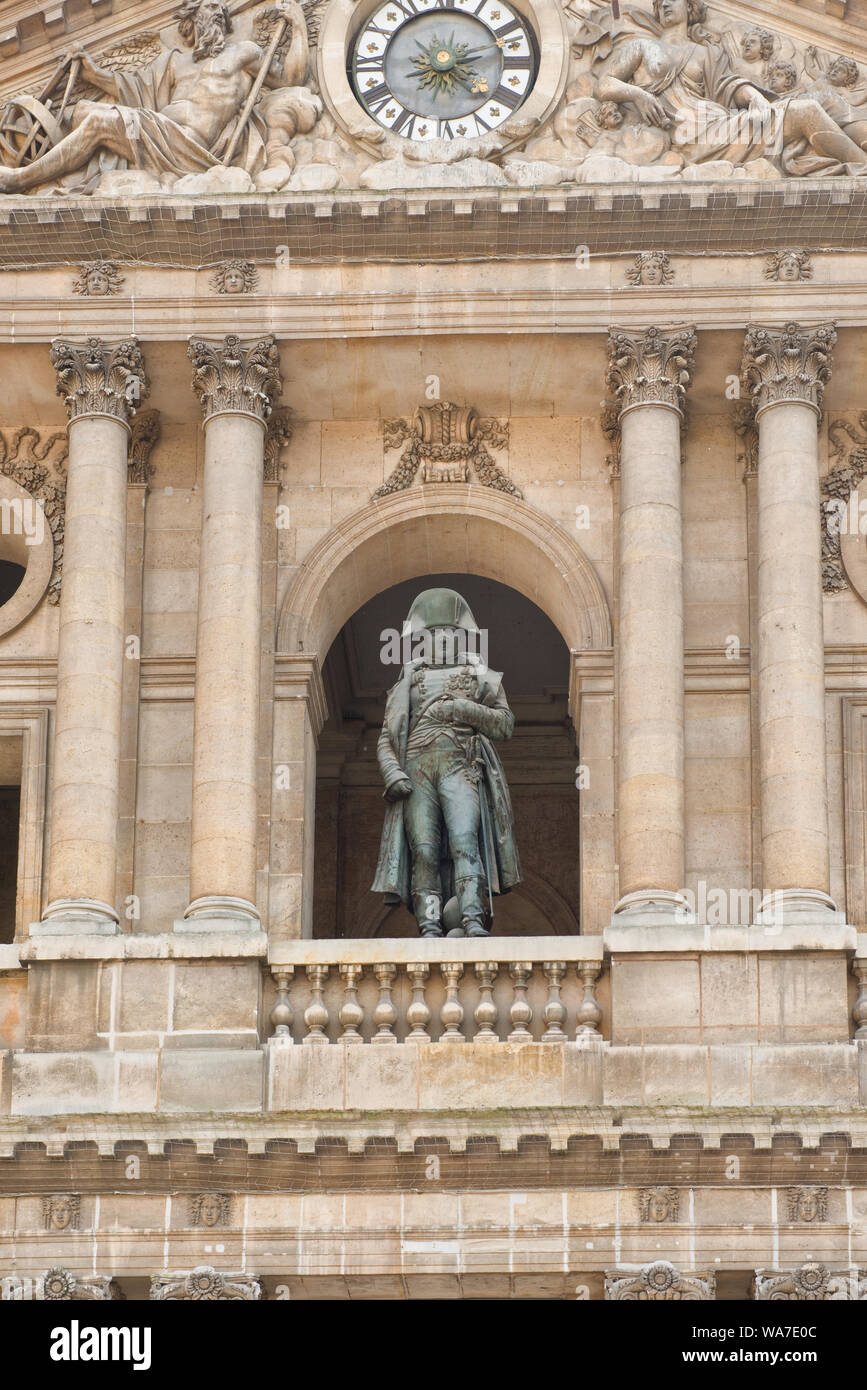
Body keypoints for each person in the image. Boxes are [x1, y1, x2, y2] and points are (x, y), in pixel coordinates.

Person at [0, 0, 320, 193]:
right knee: (83, 109)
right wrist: (90, 71)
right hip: (157, 135)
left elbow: (292, 76)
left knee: (98, 119)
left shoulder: (244, 53)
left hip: (193, 147)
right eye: (208, 11)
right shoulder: (175, 61)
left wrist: (298, 25)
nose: (217, 16)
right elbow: (134, 89)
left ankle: (22, 179)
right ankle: (39, 155)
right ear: (190, 25)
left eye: (219, 12)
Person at [372, 588, 521, 939]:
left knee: (464, 840)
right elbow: (386, 737)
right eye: (433, 635)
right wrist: (392, 772)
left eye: (449, 634)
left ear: (462, 639)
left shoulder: (481, 678)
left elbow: (505, 724)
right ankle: (429, 925)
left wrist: (460, 708)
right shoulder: (406, 682)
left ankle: (471, 918)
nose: (441, 640)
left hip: (461, 766)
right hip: (416, 769)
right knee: (423, 851)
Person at [596, 0, 867, 176]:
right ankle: (862, 166)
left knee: (826, 100)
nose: (665, 3)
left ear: (689, 7)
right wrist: (637, 94)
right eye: (658, 2)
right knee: (806, 110)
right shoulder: (641, 46)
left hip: (718, 123)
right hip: (687, 134)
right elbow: (604, 84)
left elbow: (728, 85)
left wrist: (756, 99)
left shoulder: (706, 53)